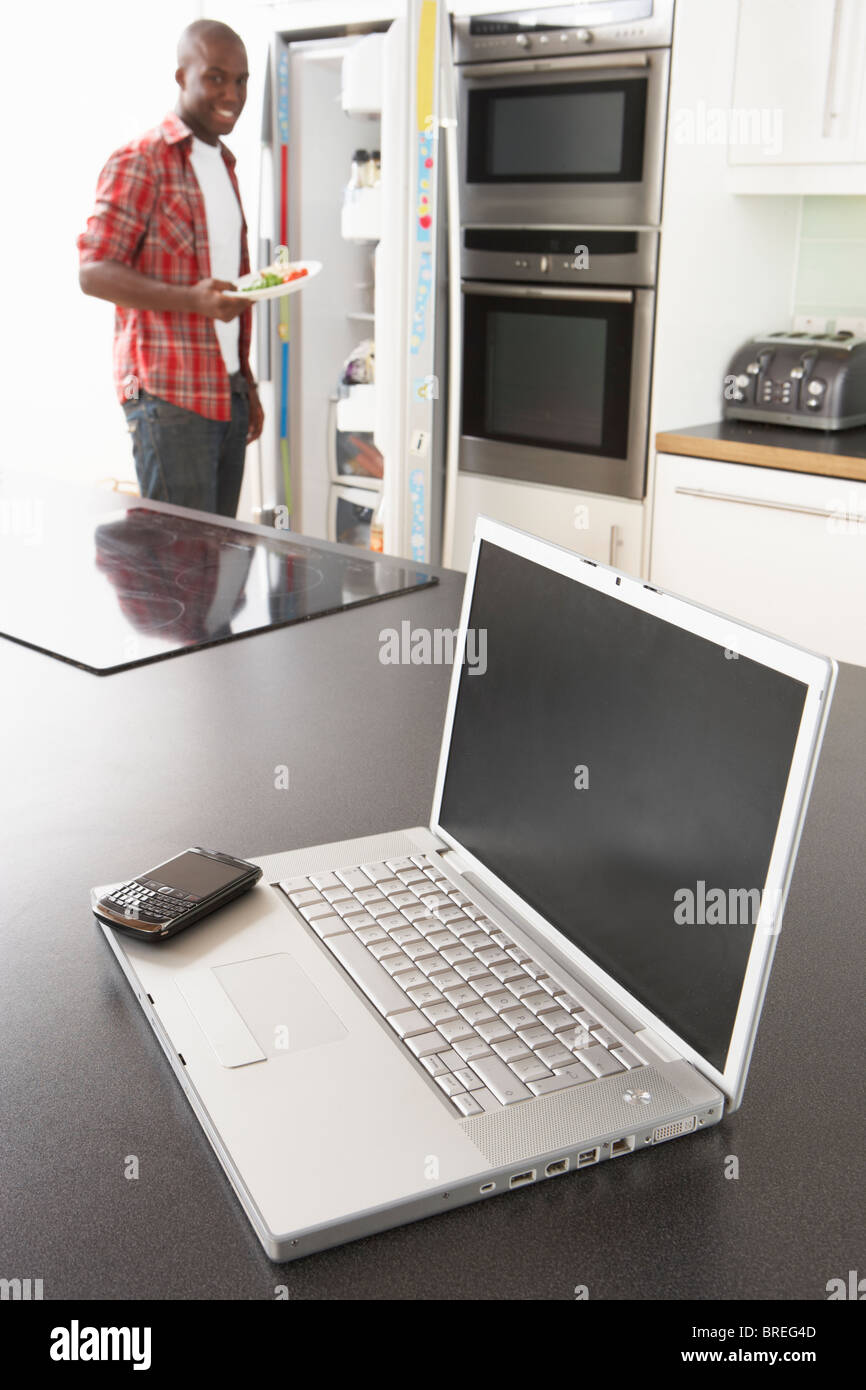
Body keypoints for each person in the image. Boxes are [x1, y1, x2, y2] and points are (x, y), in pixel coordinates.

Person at [77, 19, 263, 517]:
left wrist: (245, 384)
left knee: (216, 563)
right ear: (182, 78)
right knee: (179, 575)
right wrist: (191, 300)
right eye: (216, 77)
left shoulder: (223, 163)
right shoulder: (143, 159)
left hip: (226, 390)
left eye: (242, 80)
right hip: (169, 398)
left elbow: (226, 284)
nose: (233, 93)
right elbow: (93, 270)